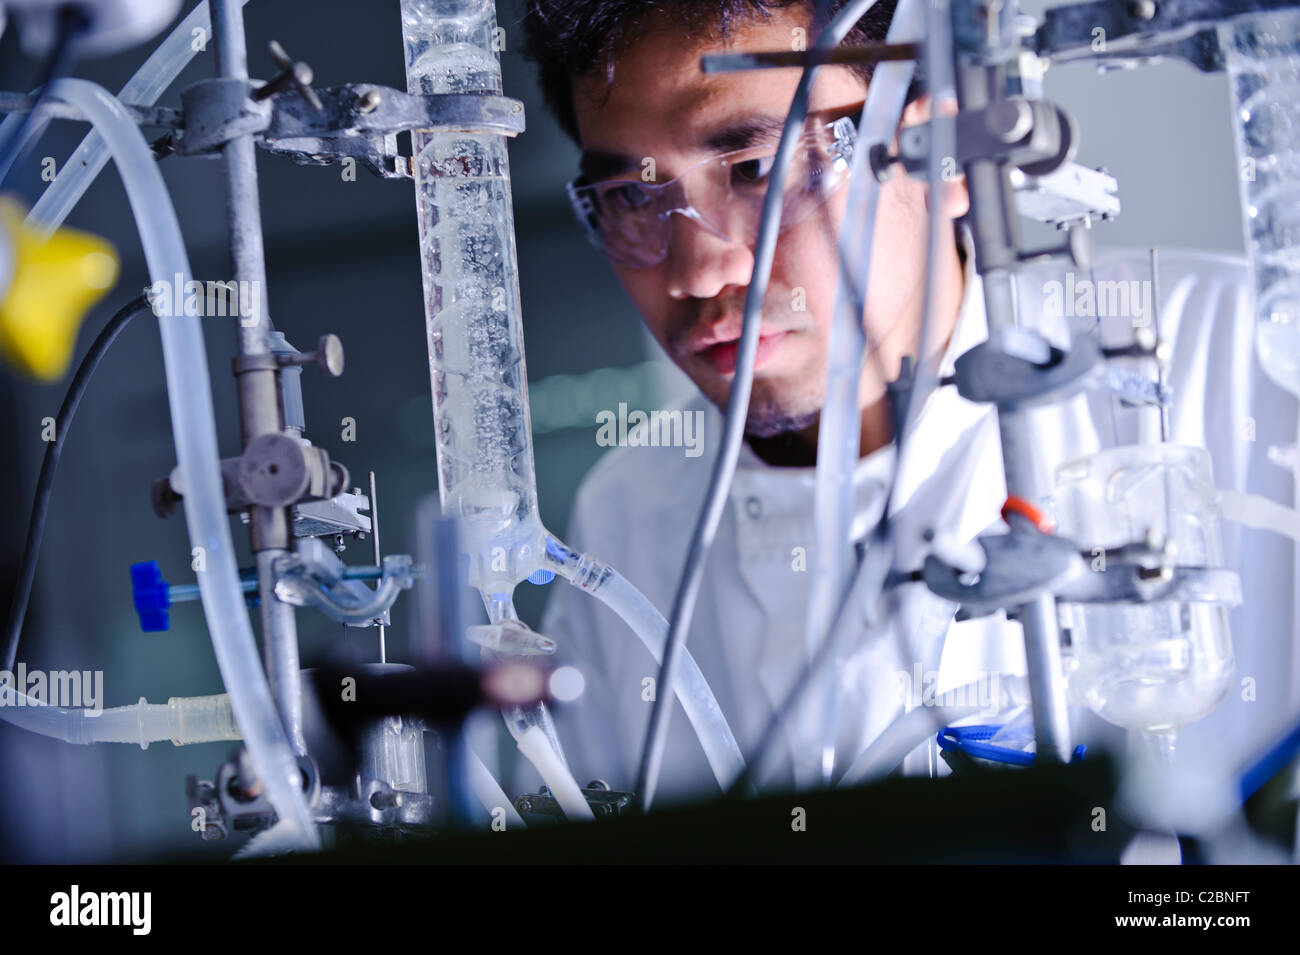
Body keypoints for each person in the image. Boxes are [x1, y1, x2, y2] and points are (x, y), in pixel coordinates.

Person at [515, 0, 1298, 805]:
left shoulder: (1240, 363)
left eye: (755, 167)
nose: (695, 272)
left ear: (944, 155)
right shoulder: (628, 519)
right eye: (632, 199)